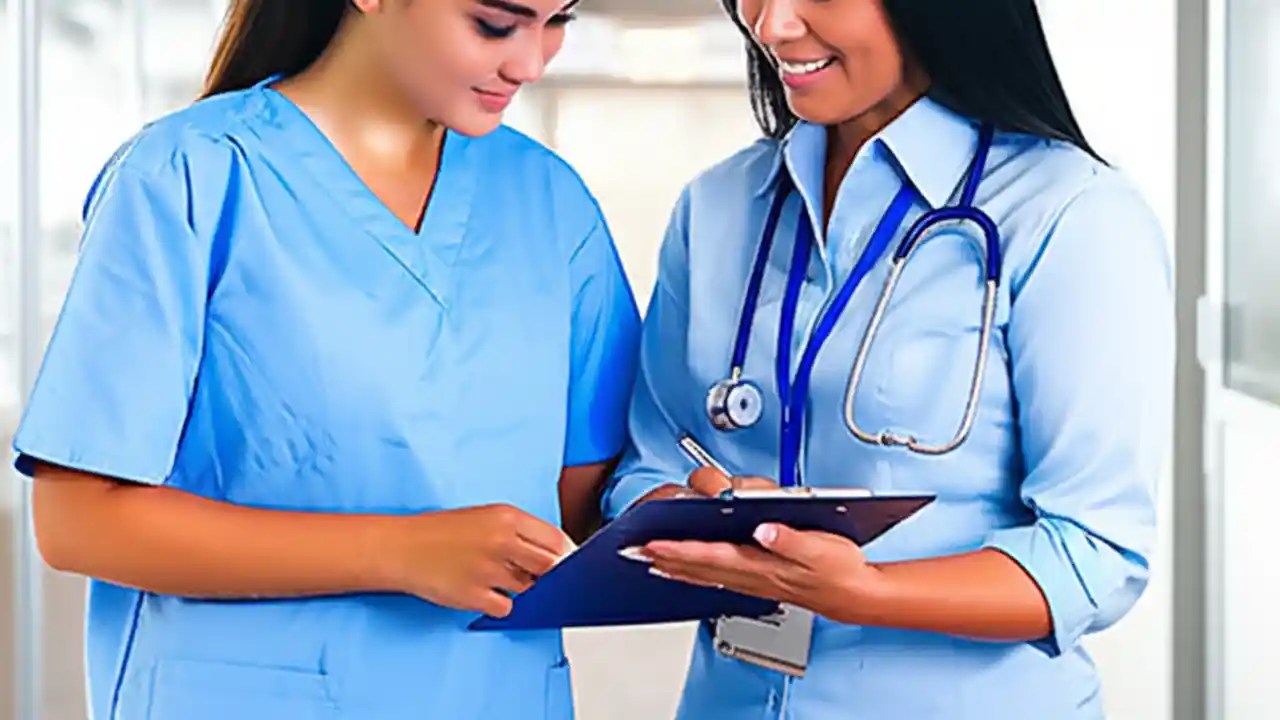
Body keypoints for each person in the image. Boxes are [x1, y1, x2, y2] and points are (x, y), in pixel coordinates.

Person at [12, 1, 640, 718]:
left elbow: (585, 496)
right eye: (495, 24)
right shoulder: (190, 176)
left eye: (559, 21)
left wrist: (690, 515)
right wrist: (399, 551)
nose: (529, 63)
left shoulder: (548, 199)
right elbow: (78, 521)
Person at [603, 0, 1172, 717]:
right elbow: (648, 463)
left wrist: (864, 592)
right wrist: (687, 519)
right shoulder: (719, 206)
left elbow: (1095, 557)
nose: (771, 25)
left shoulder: (1071, 216)